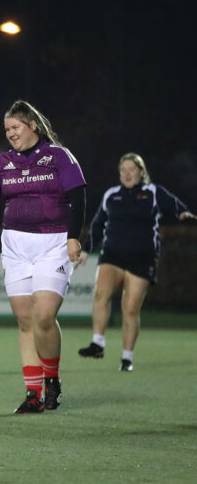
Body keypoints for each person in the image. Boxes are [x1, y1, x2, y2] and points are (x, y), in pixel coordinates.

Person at [0, 100, 87, 414]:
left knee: (44, 316)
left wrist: (73, 237)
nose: (10, 133)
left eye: (15, 127)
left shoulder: (58, 156)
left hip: (53, 242)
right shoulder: (3, 163)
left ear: (33, 126)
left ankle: (51, 378)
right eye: (7, 129)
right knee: (26, 320)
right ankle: (33, 393)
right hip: (15, 246)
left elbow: (78, 197)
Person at [77, 153, 195, 371]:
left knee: (130, 309)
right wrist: (86, 250)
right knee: (100, 293)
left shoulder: (153, 192)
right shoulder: (111, 195)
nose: (127, 174)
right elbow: (97, 224)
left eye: (131, 169)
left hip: (142, 257)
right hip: (112, 254)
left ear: (141, 172)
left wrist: (183, 212)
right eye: (123, 170)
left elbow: (174, 205)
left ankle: (127, 358)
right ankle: (98, 343)